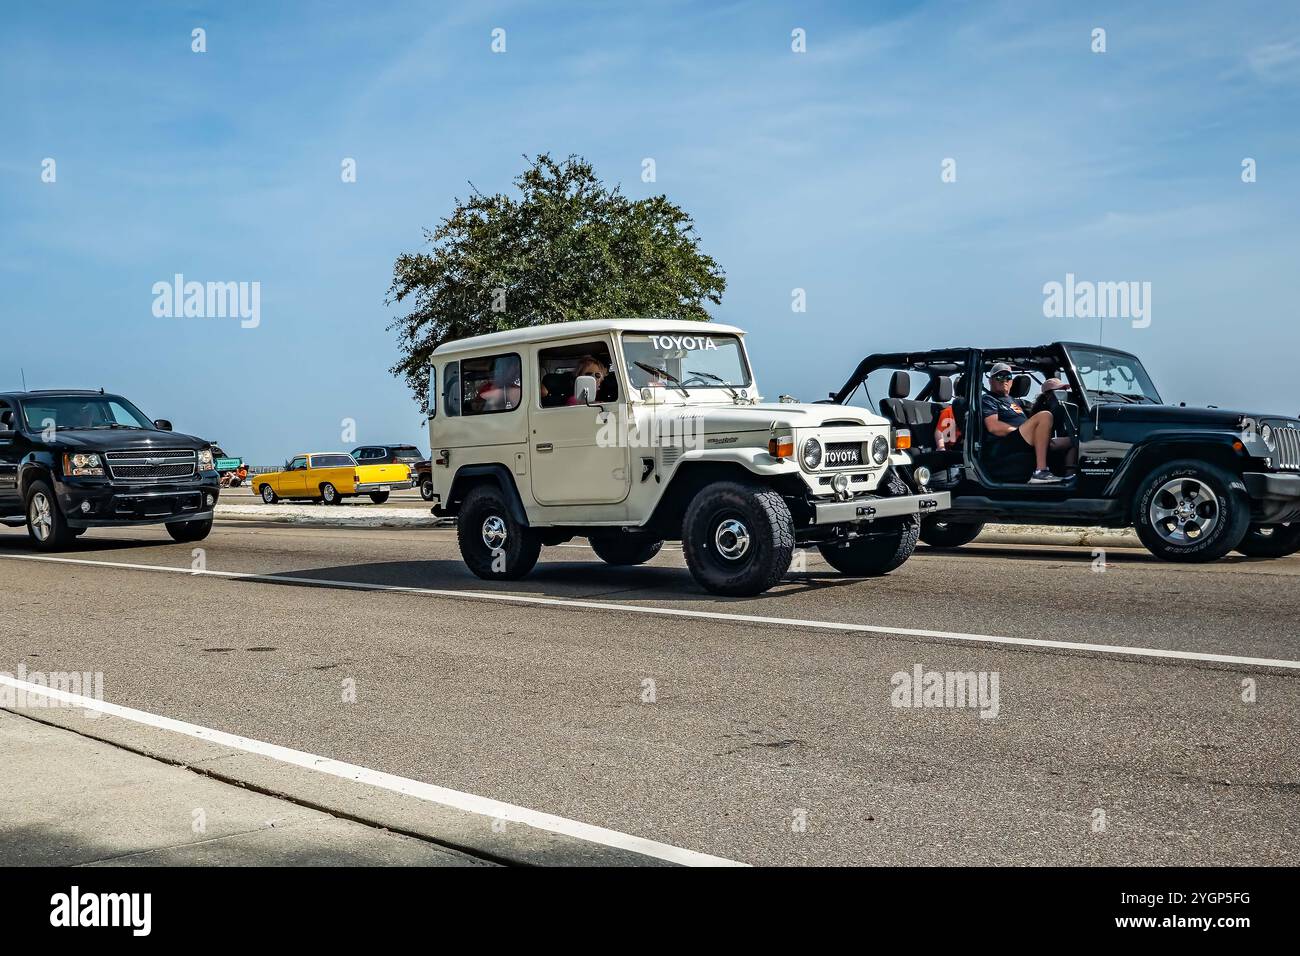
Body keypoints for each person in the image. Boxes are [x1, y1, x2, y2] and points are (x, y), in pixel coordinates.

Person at [981, 363, 1062, 483]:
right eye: (999, 377)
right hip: (1004, 443)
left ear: (1012, 382)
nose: (1004, 380)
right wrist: (1025, 432)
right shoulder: (988, 399)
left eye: (1008, 377)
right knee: (1045, 416)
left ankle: (1071, 476)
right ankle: (1040, 471)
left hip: (1021, 438)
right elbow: (994, 427)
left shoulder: (1015, 402)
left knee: (1071, 441)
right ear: (991, 381)